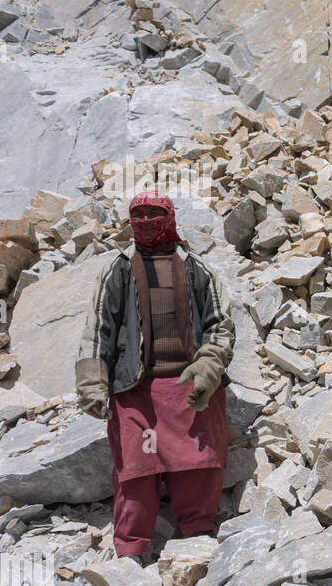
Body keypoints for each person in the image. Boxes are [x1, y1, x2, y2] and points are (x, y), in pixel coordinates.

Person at [75, 190, 234, 566]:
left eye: (154, 213)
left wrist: (209, 367)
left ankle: (197, 539)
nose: (146, 221)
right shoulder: (116, 269)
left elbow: (220, 325)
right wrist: (93, 384)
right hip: (134, 389)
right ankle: (130, 553)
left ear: (170, 216)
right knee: (136, 472)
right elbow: (98, 328)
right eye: (139, 214)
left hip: (188, 385)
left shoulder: (197, 268)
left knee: (199, 464)